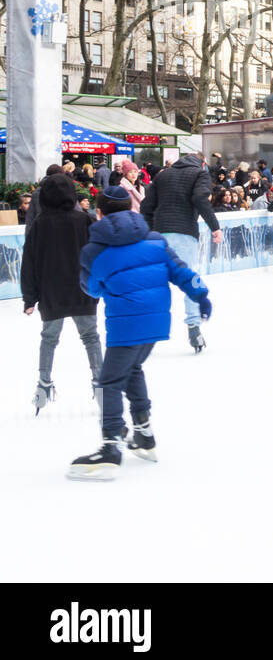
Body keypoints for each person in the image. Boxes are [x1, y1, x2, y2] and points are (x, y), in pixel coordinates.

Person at [68, 186, 212, 480]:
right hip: (156, 324)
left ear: (99, 212)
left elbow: (91, 288)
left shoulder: (94, 250)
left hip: (125, 325)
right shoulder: (155, 240)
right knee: (132, 369)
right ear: (132, 208)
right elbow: (181, 271)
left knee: (109, 382)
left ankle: (110, 446)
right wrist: (201, 294)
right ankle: (144, 434)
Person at [21, 172, 104, 415]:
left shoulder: (40, 224)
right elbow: (98, 256)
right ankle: (99, 383)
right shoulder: (85, 221)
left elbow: (29, 263)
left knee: (49, 339)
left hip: (51, 292)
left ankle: (43, 383)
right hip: (83, 289)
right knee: (90, 337)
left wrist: (30, 297)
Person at [140, 152, 222, 353]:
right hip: (184, 232)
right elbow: (200, 199)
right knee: (188, 277)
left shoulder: (162, 175)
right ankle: (194, 325)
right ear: (202, 163)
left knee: (157, 281)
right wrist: (215, 226)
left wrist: (151, 231)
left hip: (160, 233)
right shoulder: (199, 174)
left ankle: (148, 325)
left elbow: (146, 207)